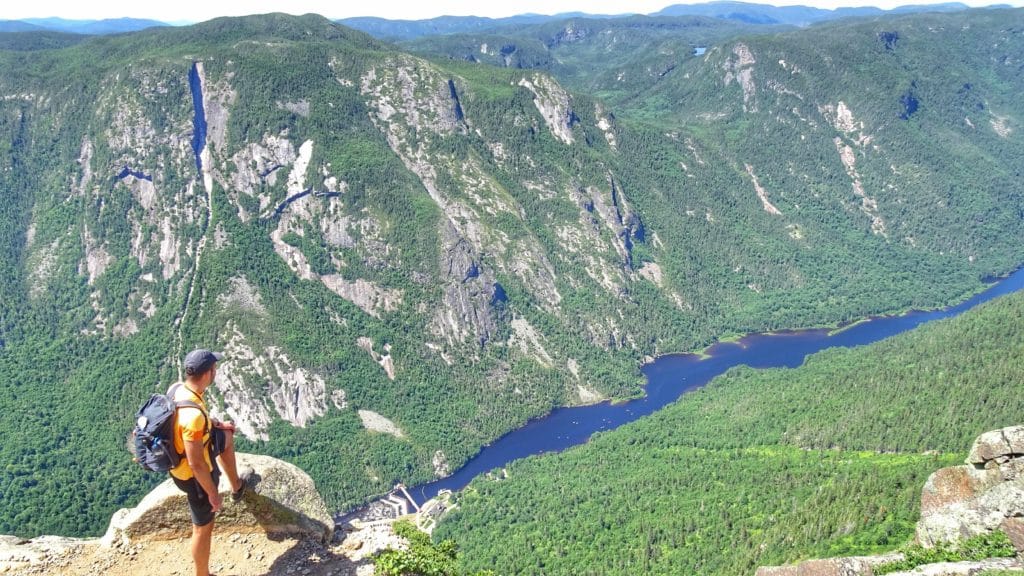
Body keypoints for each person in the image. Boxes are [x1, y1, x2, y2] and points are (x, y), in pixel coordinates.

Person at [169, 349, 249, 576]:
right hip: (192, 476)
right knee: (202, 528)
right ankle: (202, 574)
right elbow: (197, 464)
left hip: (187, 450)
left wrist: (213, 425)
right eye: (214, 369)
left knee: (226, 435)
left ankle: (236, 486)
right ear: (207, 373)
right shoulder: (192, 418)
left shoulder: (178, 389)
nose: (216, 372)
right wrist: (212, 492)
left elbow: (188, 419)